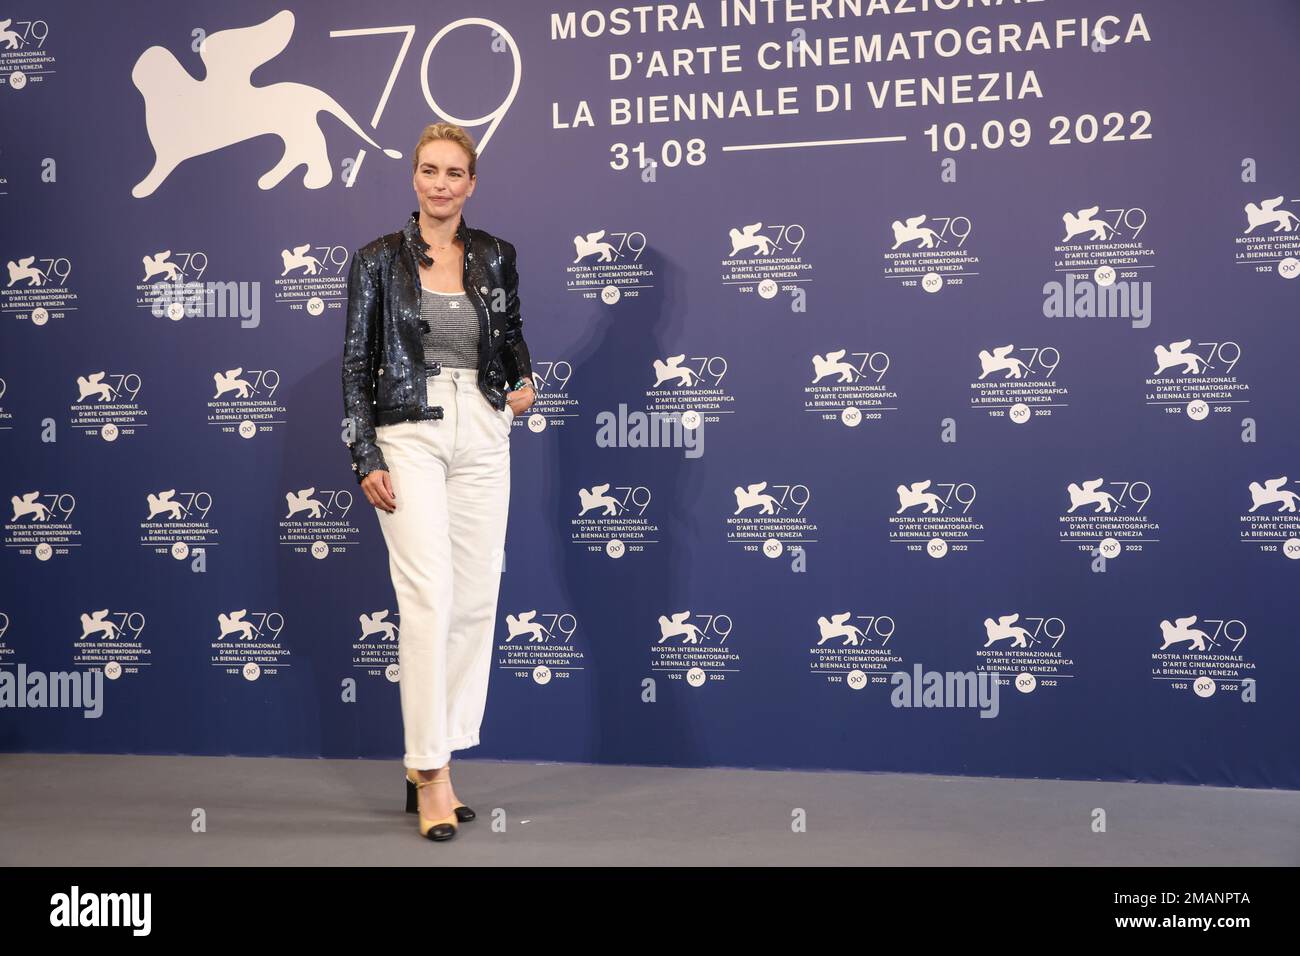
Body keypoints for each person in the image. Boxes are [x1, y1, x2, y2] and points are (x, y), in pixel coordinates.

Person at [341, 122, 535, 841]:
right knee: (428, 597)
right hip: (409, 430)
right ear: (413, 178)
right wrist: (366, 455)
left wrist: (523, 378)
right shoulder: (376, 262)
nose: (441, 183)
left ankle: (433, 754)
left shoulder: (494, 254)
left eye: (455, 172)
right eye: (430, 170)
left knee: (475, 600)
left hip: (483, 430)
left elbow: (510, 336)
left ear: (471, 183)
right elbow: (357, 366)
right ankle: (433, 776)